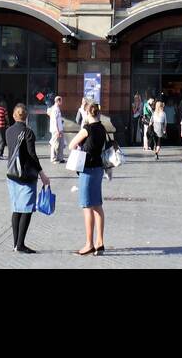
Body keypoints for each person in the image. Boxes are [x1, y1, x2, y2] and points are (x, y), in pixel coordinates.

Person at [5, 103, 51, 253]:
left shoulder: (8, 131)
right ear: (26, 117)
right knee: (26, 209)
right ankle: (20, 244)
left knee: (16, 208)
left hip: (12, 174)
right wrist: (42, 174)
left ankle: (15, 244)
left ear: (14, 116)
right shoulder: (29, 133)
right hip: (26, 175)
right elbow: (32, 156)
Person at [67, 102, 108, 256]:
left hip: (87, 169)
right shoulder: (103, 128)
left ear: (87, 113)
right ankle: (100, 242)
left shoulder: (87, 129)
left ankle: (89, 243)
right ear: (98, 113)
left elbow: (71, 145)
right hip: (98, 169)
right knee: (97, 205)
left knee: (87, 207)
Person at [47, 96, 65, 163]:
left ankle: (60, 158)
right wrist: (57, 131)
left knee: (61, 144)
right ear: (58, 101)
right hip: (56, 130)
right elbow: (55, 121)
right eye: (61, 101)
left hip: (60, 129)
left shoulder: (57, 108)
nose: (62, 102)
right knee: (55, 144)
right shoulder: (55, 109)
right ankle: (53, 158)